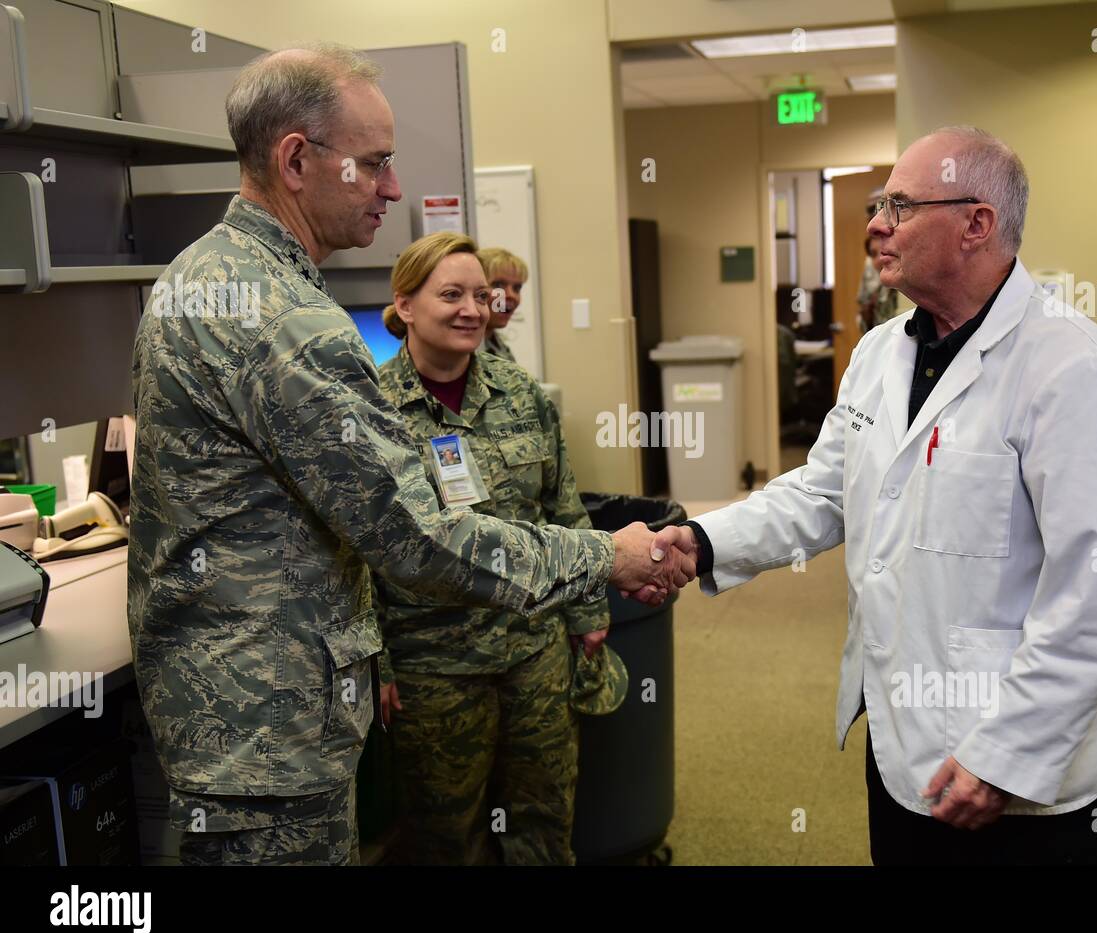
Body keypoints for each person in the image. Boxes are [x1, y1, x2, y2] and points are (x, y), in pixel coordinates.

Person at [128, 44, 691, 867]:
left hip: (224, 707)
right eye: (377, 163)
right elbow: (418, 536)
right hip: (267, 725)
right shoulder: (287, 322)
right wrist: (607, 555)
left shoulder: (198, 274)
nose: (394, 188)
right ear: (295, 159)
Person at [654, 126, 1097, 866]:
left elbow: (1094, 598)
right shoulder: (881, 353)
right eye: (875, 203)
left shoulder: (1077, 371)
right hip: (901, 738)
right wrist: (702, 540)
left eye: (899, 205)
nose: (874, 225)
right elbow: (823, 492)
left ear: (976, 224)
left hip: (1015, 775)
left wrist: (1005, 755)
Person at [371, 232, 614, 864]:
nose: (474, 309)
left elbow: (562, 505)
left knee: (545, 814)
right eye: (451, 294)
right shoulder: (369, 412)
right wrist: (378, 664)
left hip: (533, 648)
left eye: (482, 295)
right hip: (433, 664)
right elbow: (349, 556)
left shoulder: (520, 394)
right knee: (446, 834)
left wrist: (587, 612)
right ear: (404, 304)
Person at [477, 247, 528, 362]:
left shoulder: (498, 346)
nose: (511, 295)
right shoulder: (459, 351)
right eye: (498, 285)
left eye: (517, 288)